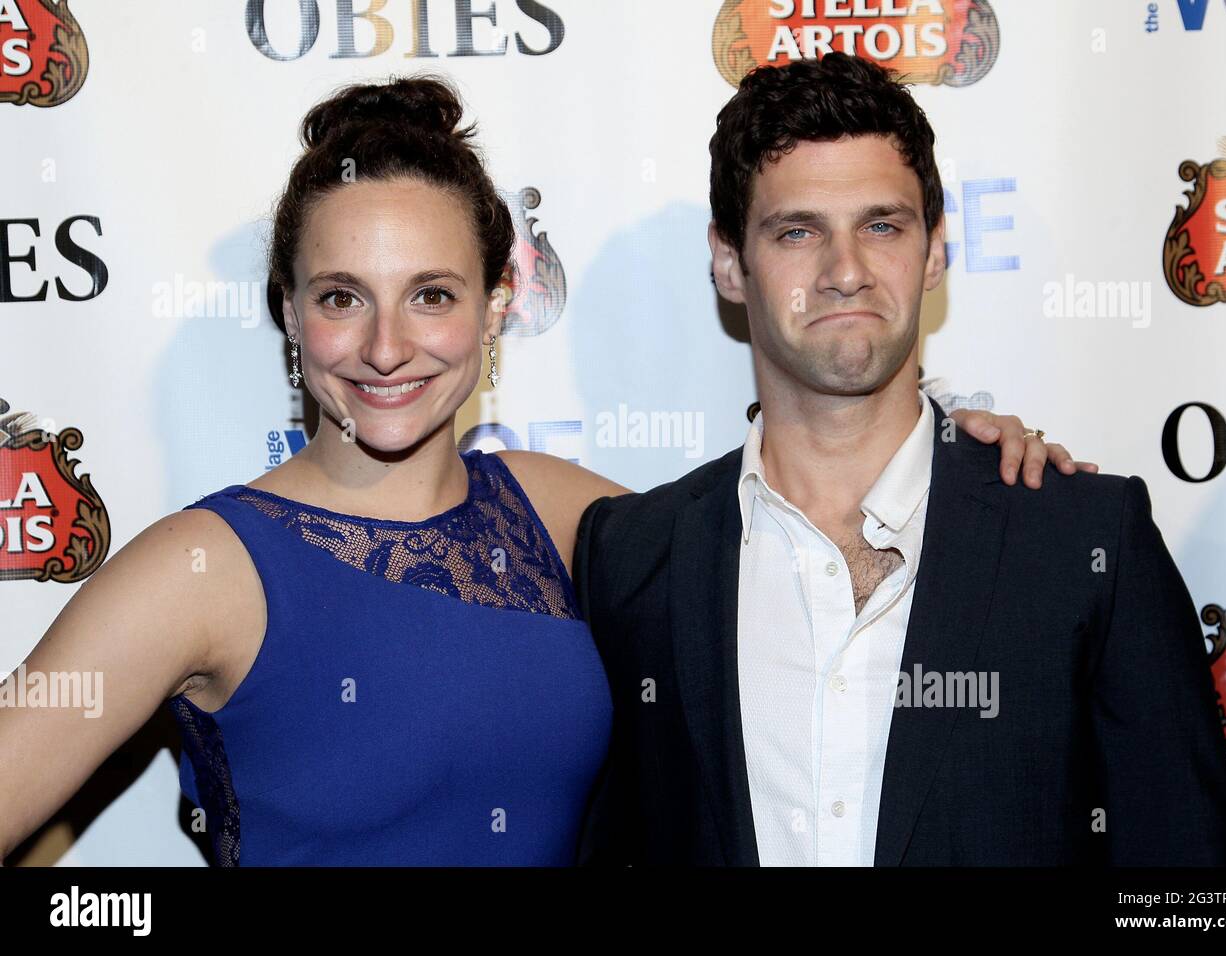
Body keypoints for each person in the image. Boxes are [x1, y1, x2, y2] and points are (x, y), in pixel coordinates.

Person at [0, 74, 1083, 867]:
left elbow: (808, 527)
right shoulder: (202, 565)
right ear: (288, 312)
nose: (386, 346)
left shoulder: (569, 514)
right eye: (340, 296)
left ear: (496, 306)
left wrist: (976, 465)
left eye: (431, 293)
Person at [573, 53, 1226, 867]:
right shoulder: (633, 558)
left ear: (933, 252)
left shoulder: (1083, 543)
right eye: (797, 231)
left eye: (882, 225)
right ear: (727, 262)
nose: (846, 271)